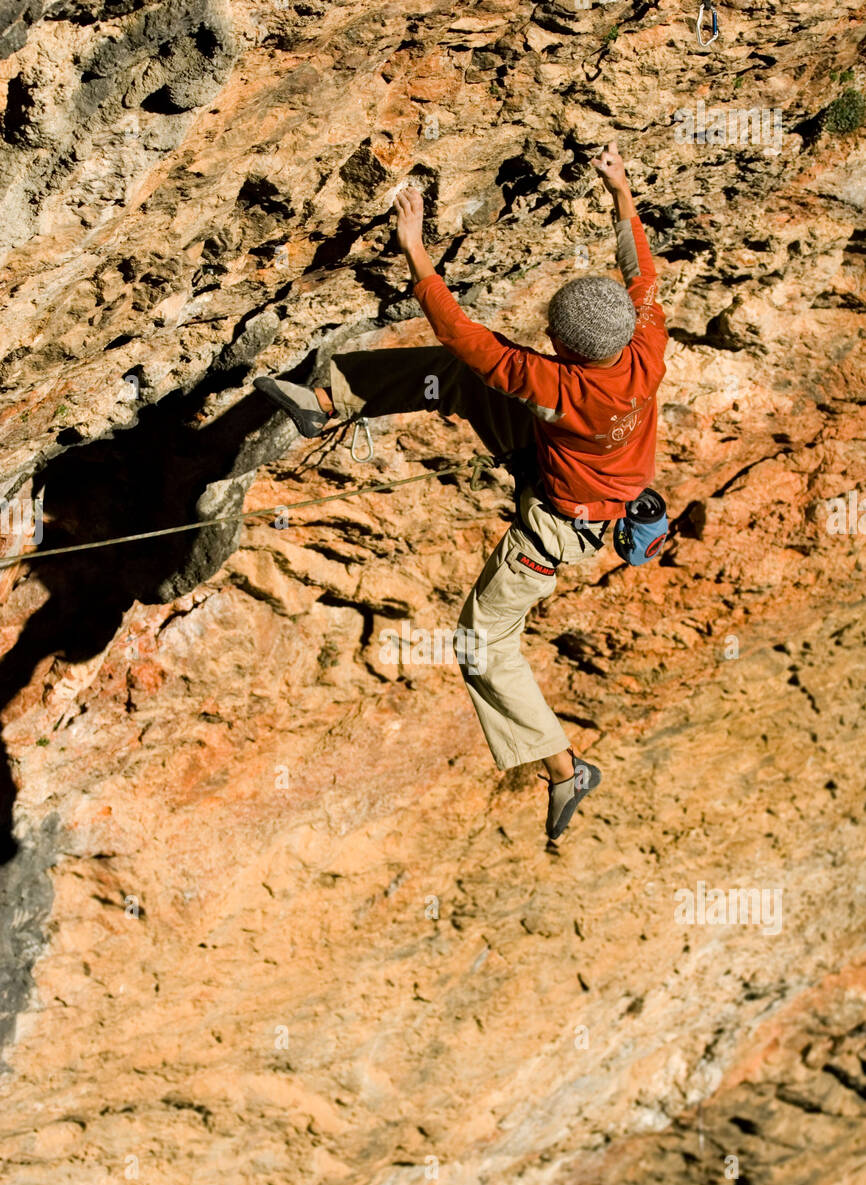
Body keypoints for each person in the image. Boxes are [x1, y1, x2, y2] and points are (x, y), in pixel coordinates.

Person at [255, 141, 668, 840]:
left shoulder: (558, 385)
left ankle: (566, 767)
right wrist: (619, 187)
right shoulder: (645, 342)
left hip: (560, 525)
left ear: (566, 350)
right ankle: (327, 402)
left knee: (481, 644)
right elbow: (640, 267)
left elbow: (465, 329)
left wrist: (416, 250)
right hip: (565, 463)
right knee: (458, 375)